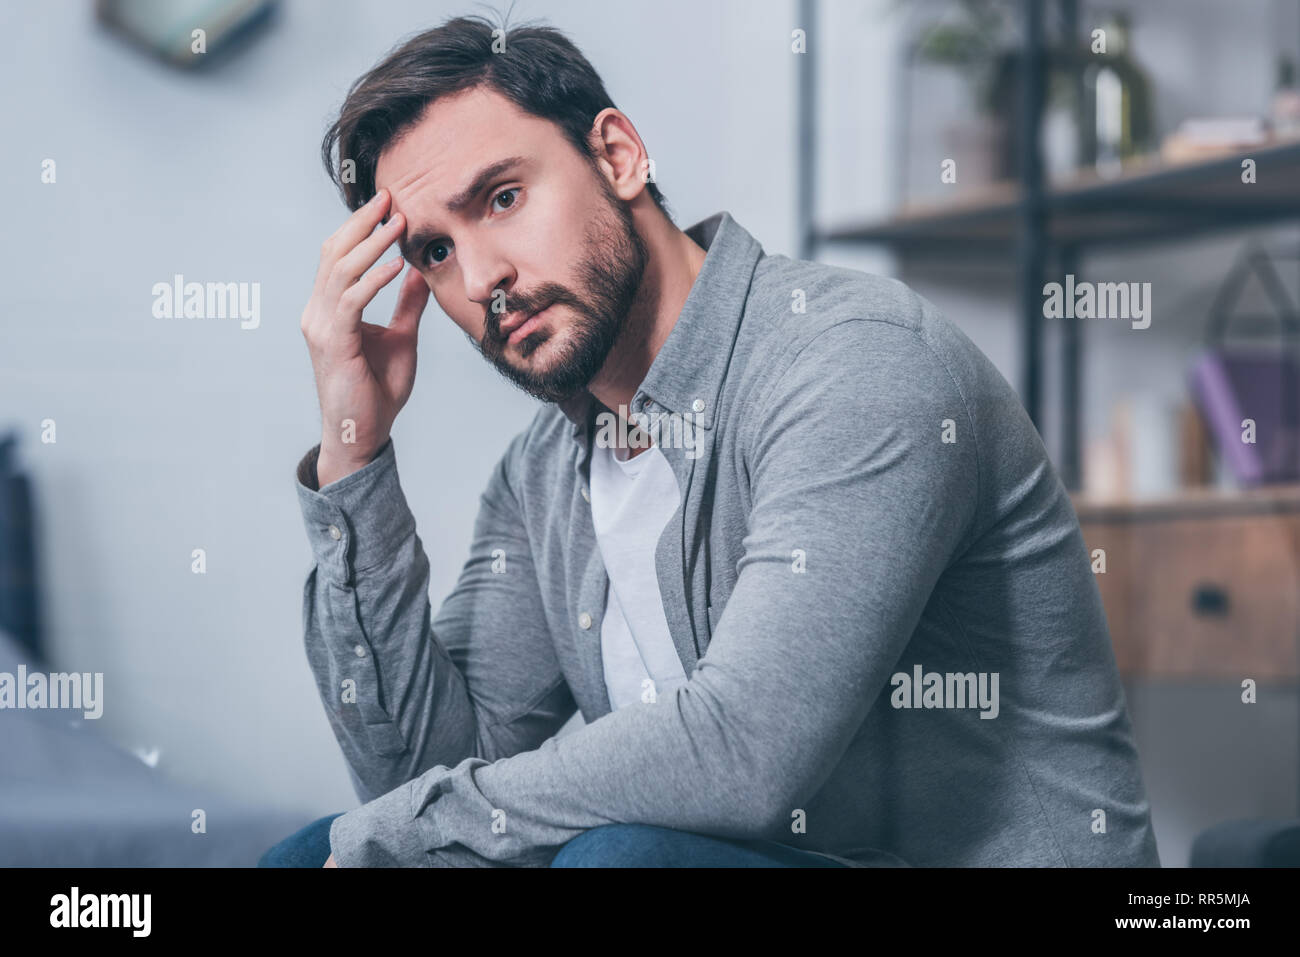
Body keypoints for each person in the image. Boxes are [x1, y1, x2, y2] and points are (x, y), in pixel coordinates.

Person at [261, 13, 1161, 868]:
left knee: (618, 859)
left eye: (502, 198)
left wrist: (397, 829)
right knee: (311, 854)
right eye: (435, 253)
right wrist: (356, 451)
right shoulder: (541, 472)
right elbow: (418, 791)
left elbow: (747, 750)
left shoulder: (854, 361)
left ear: (617, 155)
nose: (485, 277)